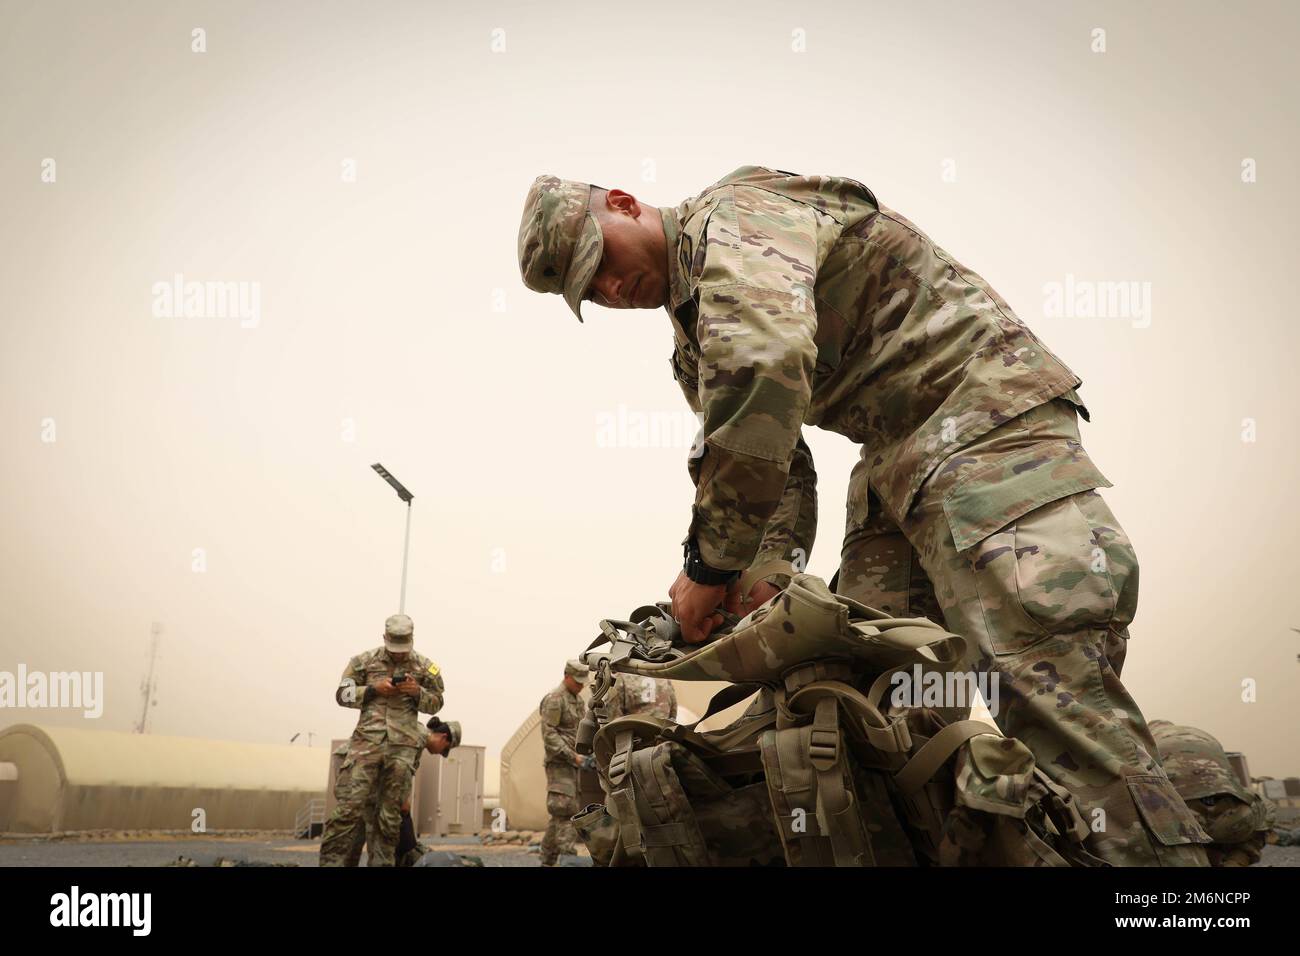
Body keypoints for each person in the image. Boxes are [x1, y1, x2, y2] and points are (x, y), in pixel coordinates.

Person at [517, 167, 1209, 866]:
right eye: (589, 291)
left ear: (626, 205)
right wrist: (762, 579)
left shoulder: (734, 218)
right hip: (894, 470)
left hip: (982, 426)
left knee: (1052, 699)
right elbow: (776, 465)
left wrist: (708, 566)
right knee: (883, 713)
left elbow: (765, 368)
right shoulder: (693, 342)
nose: (608, 288)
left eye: (598, 261)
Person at [318, 613, 445, 866]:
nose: (398, 654)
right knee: (348, 811)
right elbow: (342, 694)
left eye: (403, 648)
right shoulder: (362, 662)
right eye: (393, 647)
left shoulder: (426, 667)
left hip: (402, 752)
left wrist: (417, 692)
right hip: (366, 747)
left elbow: (437, 701)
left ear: (411, 639)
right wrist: (374, 689)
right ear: (384, 638)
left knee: (389, 819)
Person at [340, 718, 462, 867]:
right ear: (443, 737)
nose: (439, 753)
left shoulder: (417, 734)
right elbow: (395, 772)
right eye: (444, 748)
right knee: (377, 834)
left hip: (361, 767)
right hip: (357, 765)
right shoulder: (415, 739)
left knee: (363, 828)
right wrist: (401, 801)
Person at [1151, 720, 1273, 866]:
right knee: (1264, 809)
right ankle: (1236, 861)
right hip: (1233, 817)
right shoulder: (1200, 734)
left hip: (1180, 821)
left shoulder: (1145, 740)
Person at [538, 660, 591, 867]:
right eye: (577, 681)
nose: (580, 686)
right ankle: (568, 858)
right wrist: (572, 756)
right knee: (566, 810)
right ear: (567, 676)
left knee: (561, 812)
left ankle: (547, 860)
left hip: (573, 764)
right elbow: (549, 734)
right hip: (560, 763)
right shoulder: (555, 699)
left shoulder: (577, 701)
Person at [607, 673, 676, 721]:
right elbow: (673, 709)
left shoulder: (621, 677)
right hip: (663, 736)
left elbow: (613, 717)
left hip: (634, 737)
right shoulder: (662, 676)